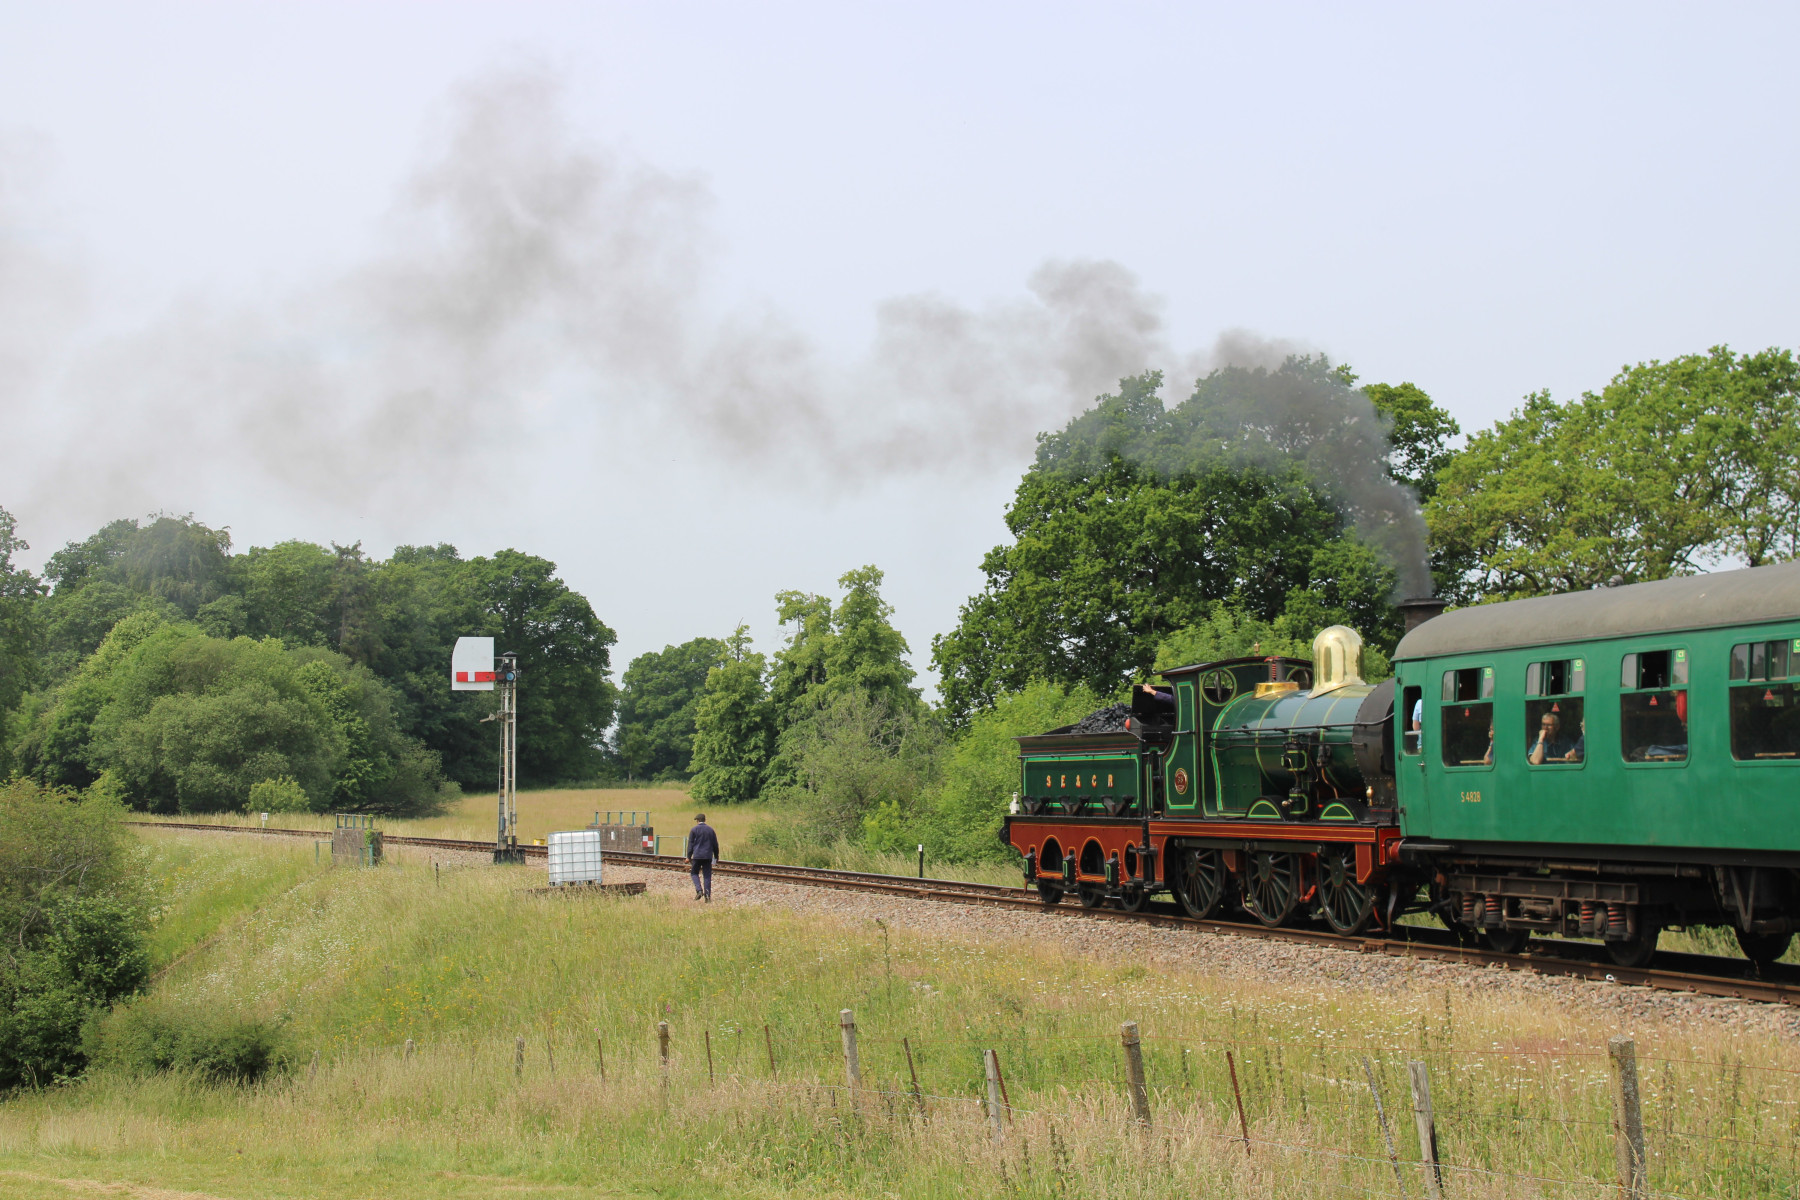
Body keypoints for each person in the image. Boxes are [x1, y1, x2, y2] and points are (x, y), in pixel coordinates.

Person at [685, 812, 719, 902]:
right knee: (707, 876)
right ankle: (707, 897)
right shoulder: (710, 830)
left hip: (697, 855)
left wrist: (688, 856)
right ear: (704, 820)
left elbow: (690, 845)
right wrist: (716, 856)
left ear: (697, 820)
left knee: (694, 873)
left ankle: (699, 890)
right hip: (708, 856)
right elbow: (715, 845)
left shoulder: (694, 830)